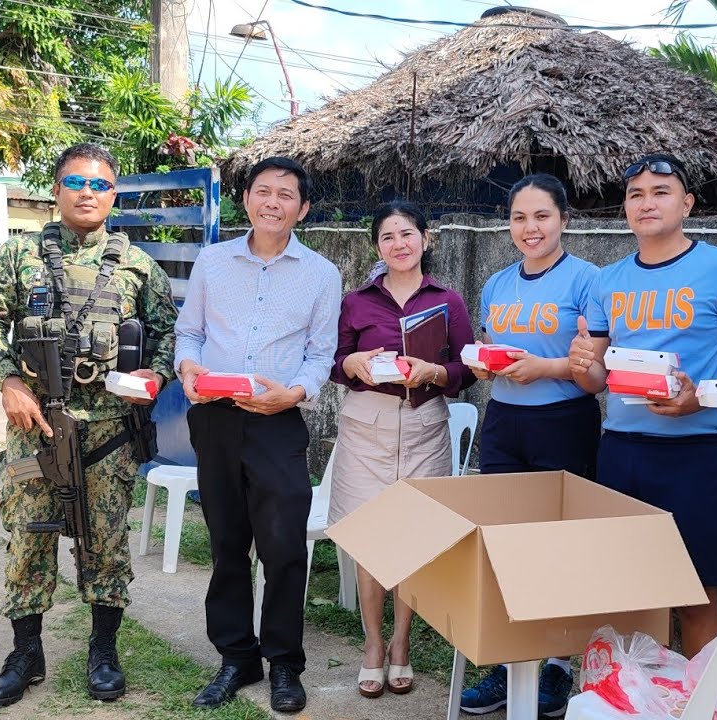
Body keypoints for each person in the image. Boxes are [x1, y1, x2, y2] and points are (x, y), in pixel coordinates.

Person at [0, 143, 177, 707]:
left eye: (100, 185)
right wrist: (10, 382)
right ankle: (25, 654)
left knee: (105, 542)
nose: (88, 193)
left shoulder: (139, 266)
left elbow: (167, 335)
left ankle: (103, 650)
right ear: (57, 188)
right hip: (36, 426)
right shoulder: (18, 257)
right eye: (76, 182)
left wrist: (153, 379)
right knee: (28, 541)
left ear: (114, 195)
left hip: (109, 429)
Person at [568, 153, 717, 660]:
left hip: (694, 454)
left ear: (687, 202)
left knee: (697, 596)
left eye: (660, 191)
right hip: (620, 451)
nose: (647, 202)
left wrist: (697, 395)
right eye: (636, 194)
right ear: (625, 209)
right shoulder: (607, 279)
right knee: (632, 597)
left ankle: (706, 702)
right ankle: (642, 703)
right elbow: (596, 378)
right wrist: (580, 364)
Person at [174, 156, 341, 713]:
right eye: (263, 191)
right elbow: (189, 333)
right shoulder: (212, 261)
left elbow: (321, 353)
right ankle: (236, 658)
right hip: (216, 419)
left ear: (303, 208)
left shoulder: (320, 273)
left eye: (286, 195)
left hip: (277, 422)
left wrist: (292, 394)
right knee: (226, 545)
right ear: (245, 199)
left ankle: (284, 665)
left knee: (284, 548)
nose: (273, 202)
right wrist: (188, 371)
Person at [460, 174, 600, 717]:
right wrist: (486, 362)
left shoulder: (588, 279)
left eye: (541, 216)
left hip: (564, 421)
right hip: (504, 424)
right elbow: (494, 349)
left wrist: (548, 367)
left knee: (561, 548)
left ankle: (559, 667)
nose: (530, 228)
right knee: (506, 545)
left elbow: (597, 369)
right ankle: (507, 663)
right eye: (520, 218)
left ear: (564, 219)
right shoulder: (497, 284)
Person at [329, 200, 476, 700]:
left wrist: (435, 372)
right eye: (388, 236)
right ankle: (372, 644)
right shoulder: (357, 301)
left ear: (425, 239)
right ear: (377, 246)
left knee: (411, 538)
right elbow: (334, 362)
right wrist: (354, 363)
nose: (399, 244)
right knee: (371, 538)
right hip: (366, 423)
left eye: (408, 233)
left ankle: (401, 643)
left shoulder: (448, 300)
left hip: (424, 423)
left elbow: (467, 370)